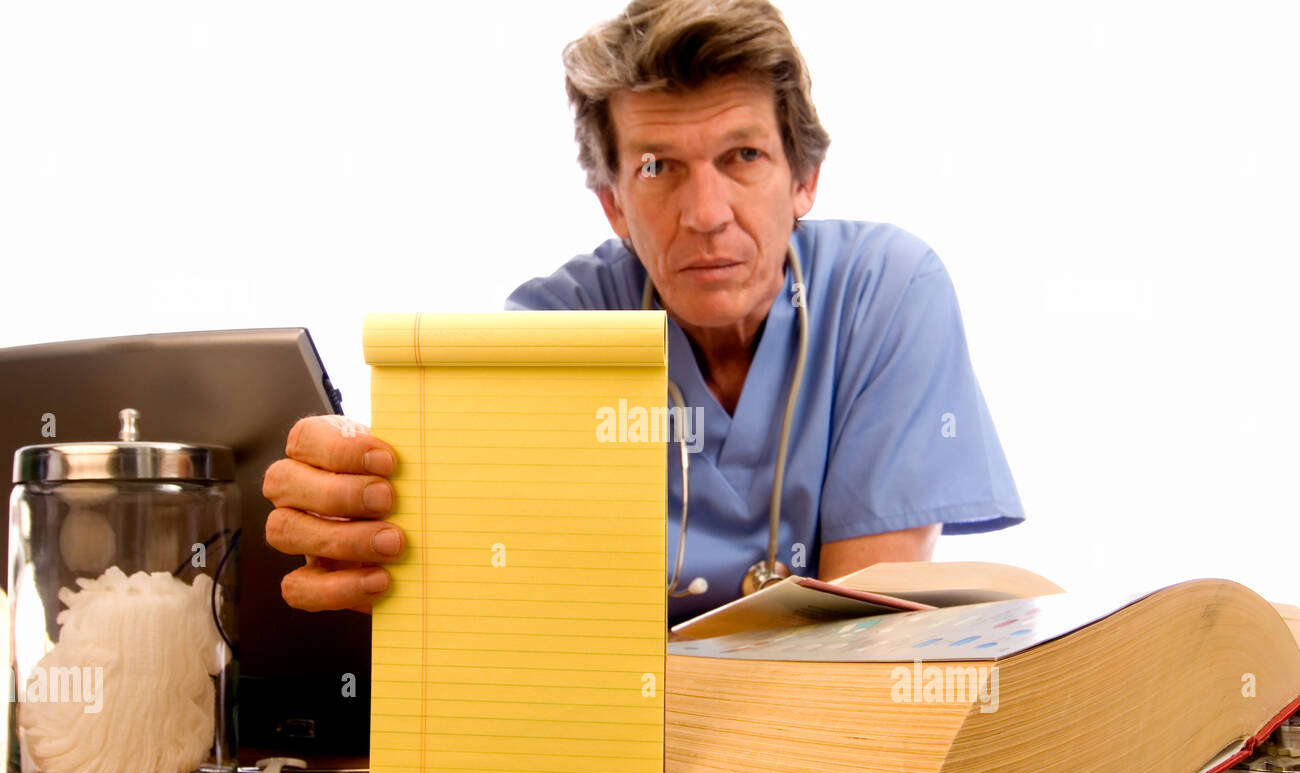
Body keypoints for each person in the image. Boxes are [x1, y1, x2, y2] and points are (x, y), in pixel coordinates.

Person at [262, 0, 1025, 621]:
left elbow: (857, 645)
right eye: (658, 167)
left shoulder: (885, 294)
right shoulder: (554, 334)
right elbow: (485, 581)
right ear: (613, 205)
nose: (706, 213)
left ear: (805, 181)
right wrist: (361, 507)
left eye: (743, 156)